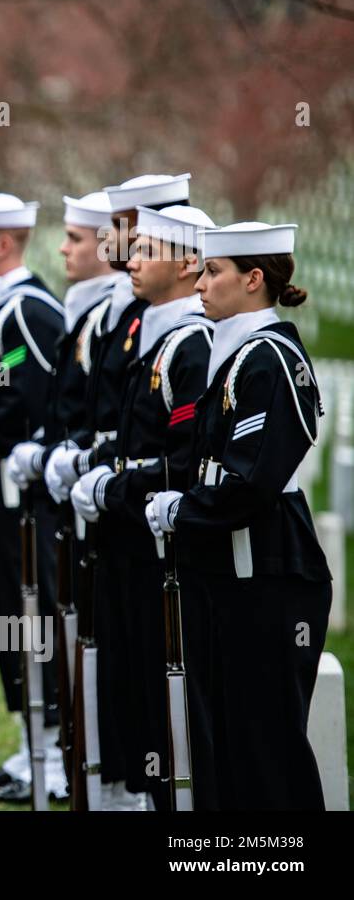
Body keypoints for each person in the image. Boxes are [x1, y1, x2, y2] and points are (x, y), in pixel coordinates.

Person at [145, 221, 330, 810]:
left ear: (253, 279)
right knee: (223, 741)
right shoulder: (239, 353)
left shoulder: (268, 359)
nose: (199, 283)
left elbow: (246, 483)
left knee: (264, 748)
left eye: (213, 271)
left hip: (265, 574)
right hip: (229, 573)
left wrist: (183, 508)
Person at [48, 172, 192, 809]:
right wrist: (82, 457)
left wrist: (110, 475)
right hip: (117, 511)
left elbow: (173, 446)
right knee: (116, 671)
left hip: (148, 524)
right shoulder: (128, 312)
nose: (120, 245)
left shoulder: (173, 328)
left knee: (154, 682)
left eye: (129, 229)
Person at [70, 203, 218, 810]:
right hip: (128, 543)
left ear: (189, 264)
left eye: (148, 251)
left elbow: (184, 461)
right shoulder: (154, 333)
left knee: (165, 697)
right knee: (131, 685)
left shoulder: (192, 344)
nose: (130, 259)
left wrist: (116, 484)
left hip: (162, 547)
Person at [0, 192, 66, 802]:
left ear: (4, 243)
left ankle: (48, 752)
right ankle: (32, 748)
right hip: (2, 494)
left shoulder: (26, 313)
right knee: (11, 616)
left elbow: (44, 402)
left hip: (28, 496)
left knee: (35, 614)